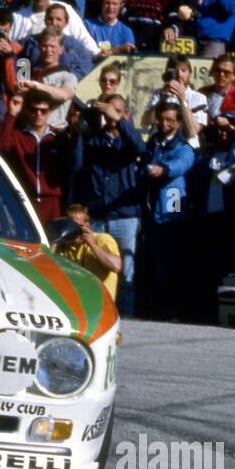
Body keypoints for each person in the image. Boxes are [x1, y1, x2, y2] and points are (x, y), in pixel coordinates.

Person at [69, 93, 144, 314]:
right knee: (95, 268)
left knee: (126, 273)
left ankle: (127, 317)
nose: (111, 116)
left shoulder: (128, 140)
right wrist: (81, 133)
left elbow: (141, 149)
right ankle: (96, 313)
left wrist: (120, 121)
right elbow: (77, 165)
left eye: (118, 111)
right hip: (99, 215)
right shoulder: (95, 139)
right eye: (108, 112)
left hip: (125, 216)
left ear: (126, 115)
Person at [140, 100, 196, 319]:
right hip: (152, 207)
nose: (164, 124)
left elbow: (182, 164)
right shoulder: (154, 143)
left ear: (179, 122)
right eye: (162, 120)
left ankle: (174, 308)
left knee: (173, 260)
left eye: (170, 121)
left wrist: (163, 168)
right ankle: (156, 307)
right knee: (154, 260)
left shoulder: (183, 146)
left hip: (173, 204)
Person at [0, 87, 73, 223]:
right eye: (34, 110)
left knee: (52, 243)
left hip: (53, 203)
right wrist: (11, 114)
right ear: (27, 110)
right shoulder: (18, 135)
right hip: (25, 200)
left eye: (43, 110)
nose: (38, 114)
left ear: (50, 112)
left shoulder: (59, 137)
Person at [54, 203, 122, 299]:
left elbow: (116, 266)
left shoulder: (101, 239)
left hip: (100, 302)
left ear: (87, 225)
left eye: (78, 226)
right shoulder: (64, 245)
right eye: (71, 227)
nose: (75, 231)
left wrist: (93, 245)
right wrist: (57, 235)